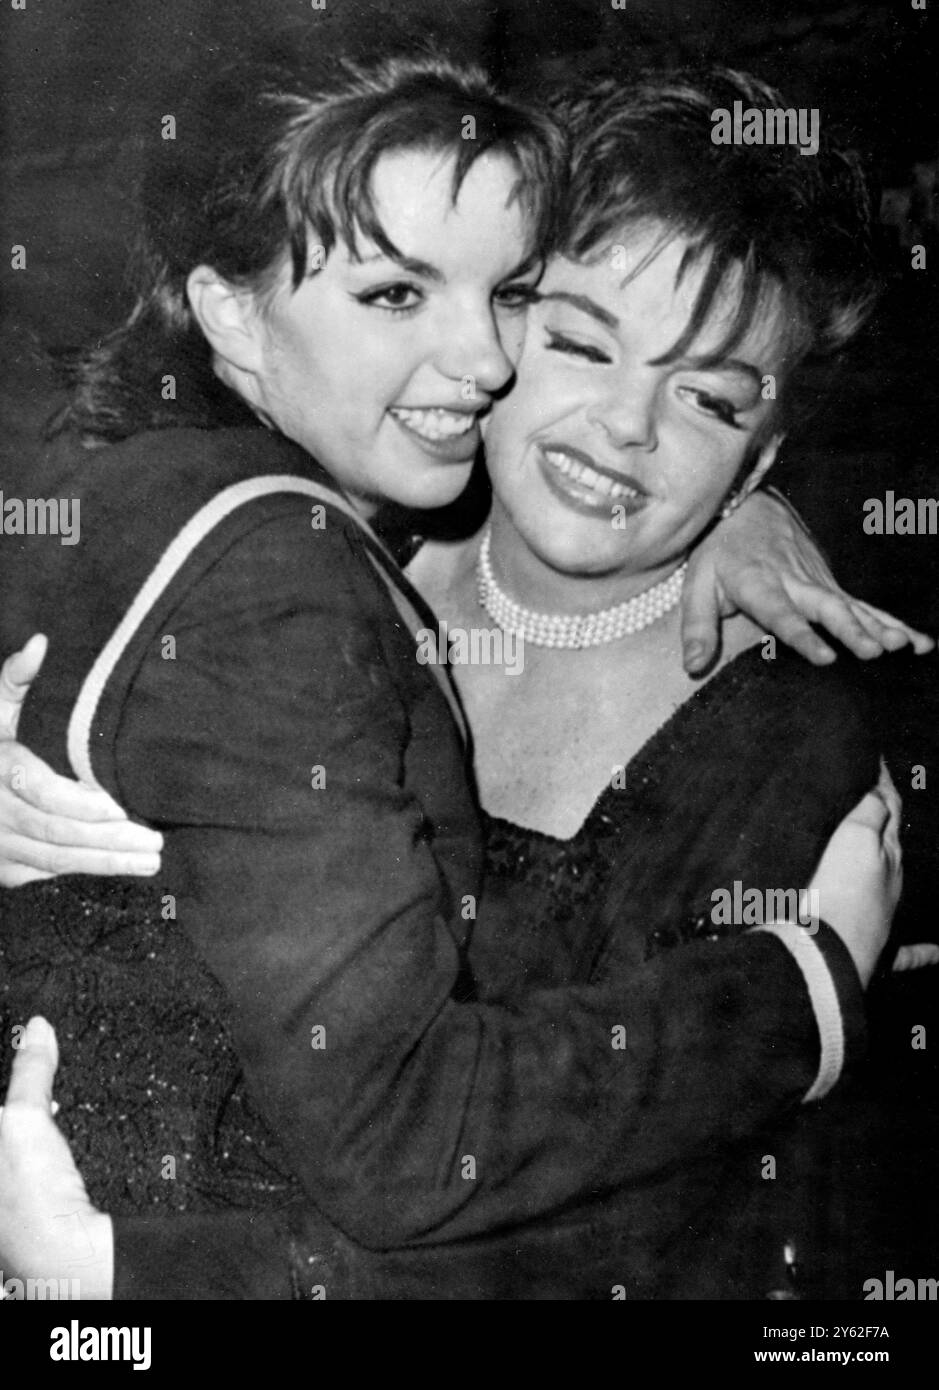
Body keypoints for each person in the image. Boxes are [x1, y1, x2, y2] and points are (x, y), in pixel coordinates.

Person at [0, 54, 919, 1300]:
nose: (628, 427)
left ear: (763, 460)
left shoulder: (787, 745)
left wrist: (130, 1278)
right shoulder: (345, 540)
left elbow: (631, 1240)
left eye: (706, 398)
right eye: (577, 341)